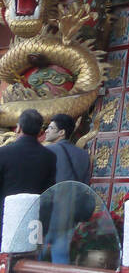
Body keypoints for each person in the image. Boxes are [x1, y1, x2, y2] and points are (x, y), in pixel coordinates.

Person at [43, 113, 93, 265]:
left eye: (51, 128)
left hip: (51, 212)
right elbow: (85, 183)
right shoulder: (84, 155)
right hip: (73, 212)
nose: (46, 131)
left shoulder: (49, 151)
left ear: (61, 132)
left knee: (39, 256)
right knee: (61, 256)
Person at [0, 108, 57, 234]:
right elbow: (49, 191)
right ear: (40, 131)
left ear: (19, 128)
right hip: (34, 221)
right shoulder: (49, 156)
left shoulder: (3, 153)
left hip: (6, 220)